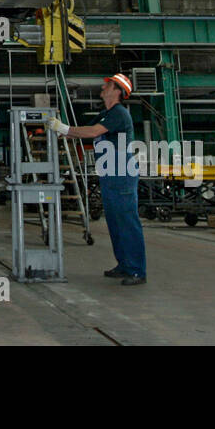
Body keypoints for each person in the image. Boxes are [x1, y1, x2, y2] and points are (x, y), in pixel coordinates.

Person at [52, 73, 146, 285]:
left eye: (108, 85)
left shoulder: (119, 114)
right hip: (109, 174)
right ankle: (125, 264)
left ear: (117, 91)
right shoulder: (106, 114)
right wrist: (57, 130)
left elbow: (93, 132)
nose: (103, 87)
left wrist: (64, 128)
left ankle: (137, 270)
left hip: (121, 174)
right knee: (114, 222)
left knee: (127, 222)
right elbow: (81, 133)